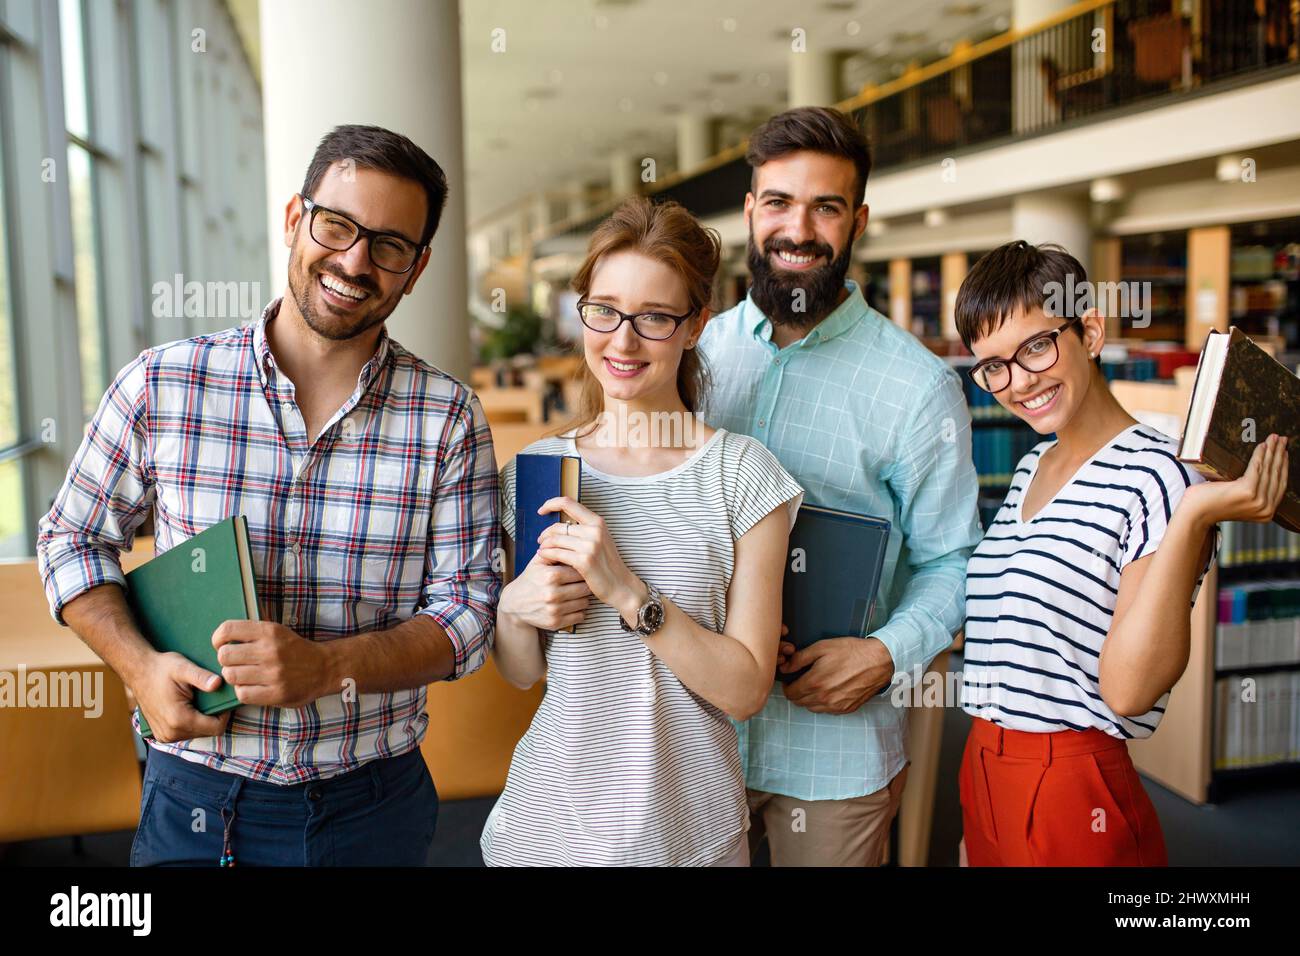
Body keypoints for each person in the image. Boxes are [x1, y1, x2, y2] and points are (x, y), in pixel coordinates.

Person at [36, 124, 501, 866]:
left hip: (370, 807)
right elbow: (71, 537)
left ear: (416, 270)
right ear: (295, 218)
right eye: (337, 225)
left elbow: (469, 614)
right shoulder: (164, 383)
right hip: (193, 792)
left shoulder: (446, 417)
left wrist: (326, 669)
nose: (354, 261)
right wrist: (138, 668)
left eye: (388, 246)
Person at [480, 196, 805, 866]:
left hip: (690, 837)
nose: (622, 341)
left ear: (694, 327)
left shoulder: (742, 474)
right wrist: (513, 610)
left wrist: (629, 593)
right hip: (547, 834)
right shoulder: (540, 469)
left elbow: (744, 690)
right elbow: (521, 673)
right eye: (604, 310)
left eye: (654, 318)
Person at [697, 106, 982, 866]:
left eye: (825, 207)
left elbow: (955, 560)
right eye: (780, 203)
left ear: (856, 221)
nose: (800, 229)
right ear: (751, 211)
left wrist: (890, 653)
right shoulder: (694, 356)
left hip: (834, 749)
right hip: (696, 731)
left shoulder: (918, 387)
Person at [955, 240, 1289, 866]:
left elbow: (1129, 691)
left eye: (1035, 346)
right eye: (992, 365)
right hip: (983, 767)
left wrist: (1192, 517)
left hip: (1072, 789)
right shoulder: (1031, 464)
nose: (1017, 382)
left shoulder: (1161, 476)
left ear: (1090, 330)